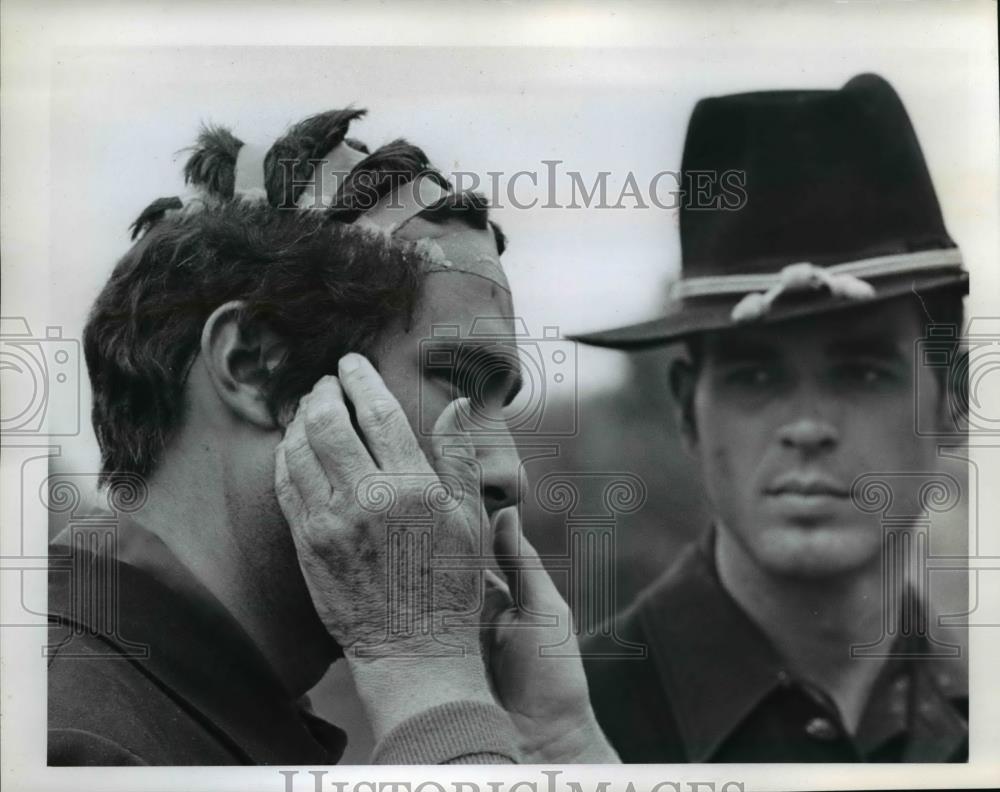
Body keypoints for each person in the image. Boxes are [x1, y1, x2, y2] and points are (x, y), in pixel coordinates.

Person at [48, 108, 615, 765]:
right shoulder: (73, 742)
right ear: (253, 366)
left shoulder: (197, 714)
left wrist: (559, 746)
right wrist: (431, 683)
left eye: (502, 404)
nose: (509, 473)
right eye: (454, 383)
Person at [574, 74, 969, 762]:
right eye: (755, 376)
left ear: (953, 404)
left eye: (862, 371)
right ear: (687, 413)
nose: (808, 426)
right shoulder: (559, 730)